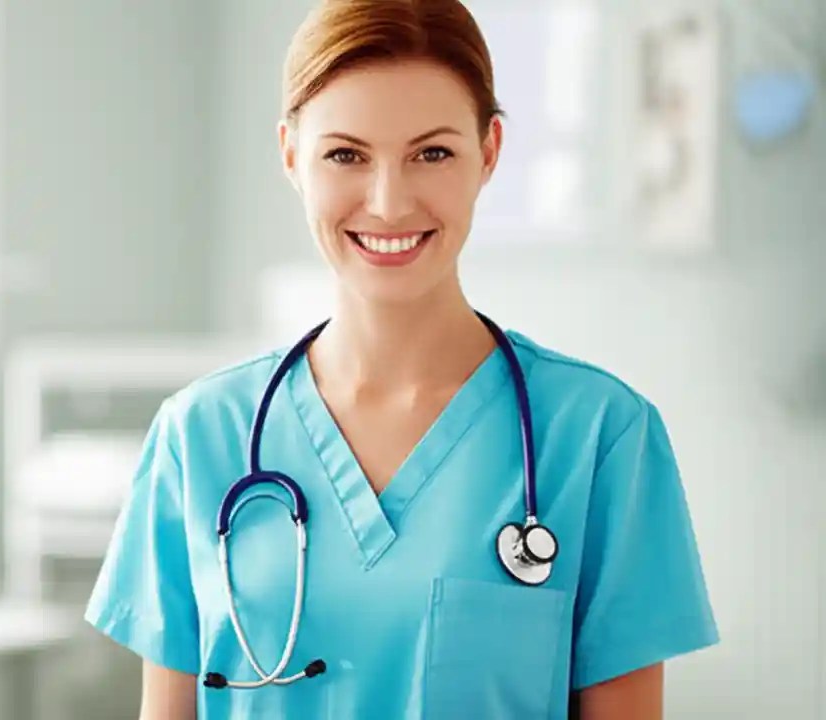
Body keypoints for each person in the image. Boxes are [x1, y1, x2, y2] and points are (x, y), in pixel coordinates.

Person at [83, 0, 719, 717]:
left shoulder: (599, 437)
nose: (388, 203)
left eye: (432, 153)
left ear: (490, 152)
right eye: (346, 155)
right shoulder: (199, 437)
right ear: (292, 155)